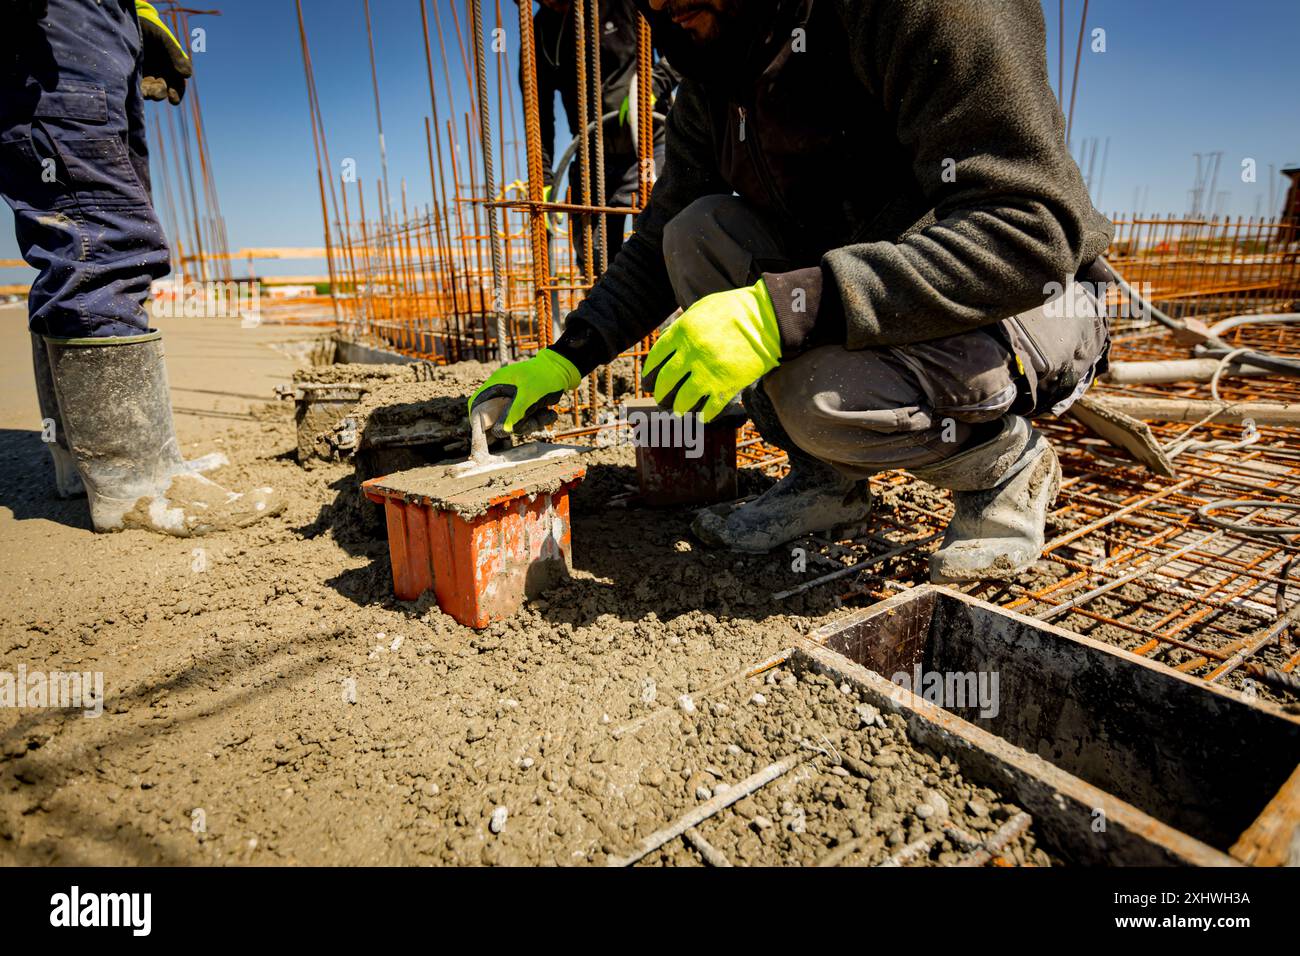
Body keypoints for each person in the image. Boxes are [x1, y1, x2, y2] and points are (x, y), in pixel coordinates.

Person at [472, 0, 1114, 583]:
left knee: (818, 400)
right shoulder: (715, 59)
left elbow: (1030, 233)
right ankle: (828, 480)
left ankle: (1002, 466)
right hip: (880, 289)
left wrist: (781, 311)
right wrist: (568, 356)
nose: (666, 7)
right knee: (699, 233)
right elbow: (663, 233)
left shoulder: (925, 10)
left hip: (1025, 300)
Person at [3, 0, 282, 536]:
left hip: (99, 25)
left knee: (98, 226)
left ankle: (84, 462)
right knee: (99, 235)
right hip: (52, 28)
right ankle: (134, 483)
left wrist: (134, 16)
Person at [528, 0, 680, 268]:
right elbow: (538, 112)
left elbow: (686, 40)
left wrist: (656, 82)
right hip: (593, 157)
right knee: (594, 256)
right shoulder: (540, 31)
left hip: (647, 146)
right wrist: (545, 176)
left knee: (662, 248)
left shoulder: (623, 4)